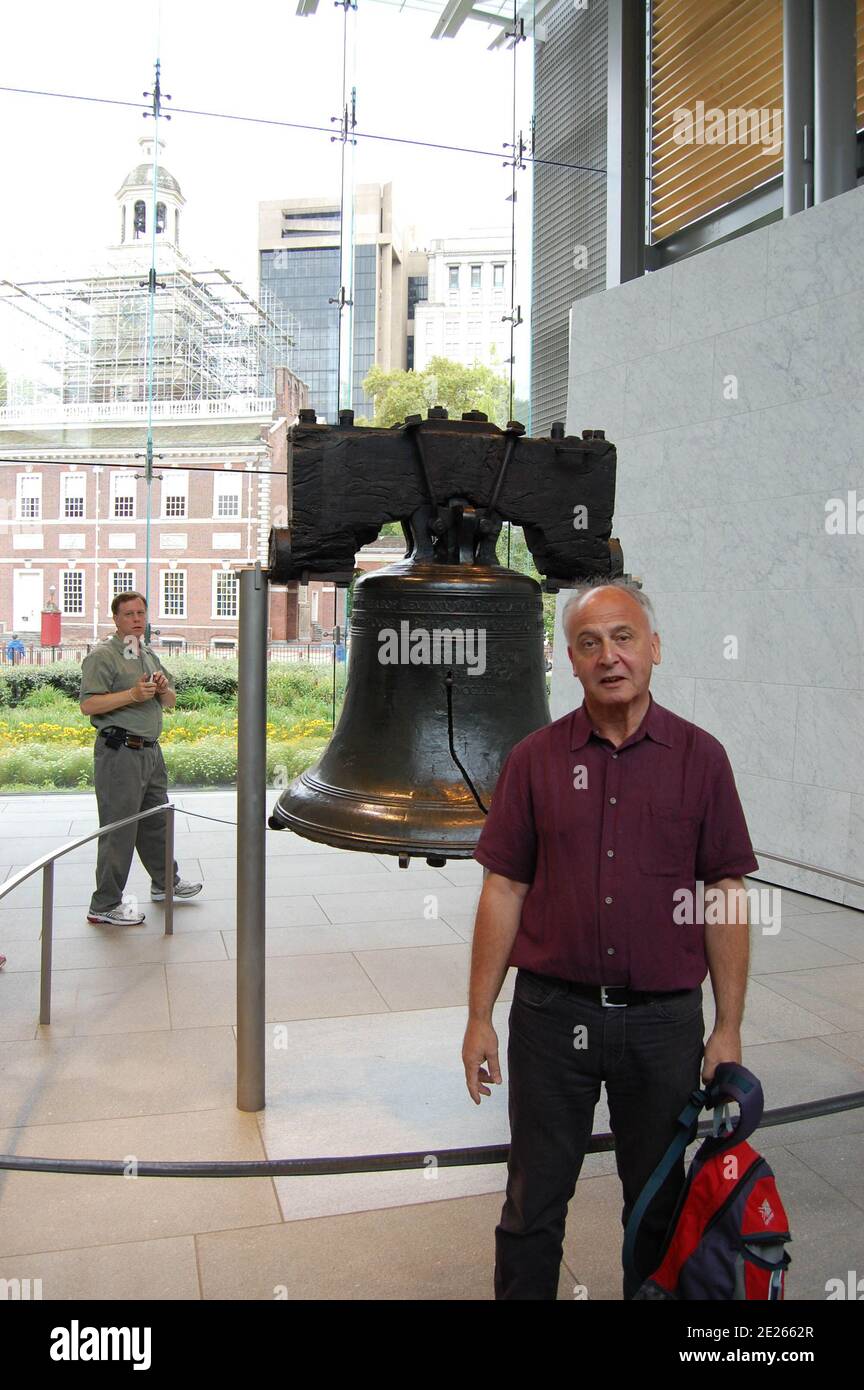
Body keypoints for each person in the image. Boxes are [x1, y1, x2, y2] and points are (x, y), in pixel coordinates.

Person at [462, 577, 758, 1300]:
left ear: (653, 648)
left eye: (624, 638)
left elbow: (723, 891)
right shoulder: (534, 759)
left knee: (657, 1209)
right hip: (549, 1020)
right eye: (589, 644)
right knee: (532, 1207)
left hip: (662, 1027)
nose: (609, 656)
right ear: (571, 660)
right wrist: (477, 1016)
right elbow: (504, 887)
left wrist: (727, 1026)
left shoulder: (701, 759)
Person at [79, 591, 202, 926]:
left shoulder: (144, 652)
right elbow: (88, 705)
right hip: (120, 753)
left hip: (149, 752)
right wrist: (131, 695)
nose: (136, 618)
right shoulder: (103, 656)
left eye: (141, 613)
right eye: (129, 613)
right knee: (120, 829)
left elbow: (171, 701)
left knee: (156, 822)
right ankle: (104, 904)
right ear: (116, 619)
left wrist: (161, 688)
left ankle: (165, 883)